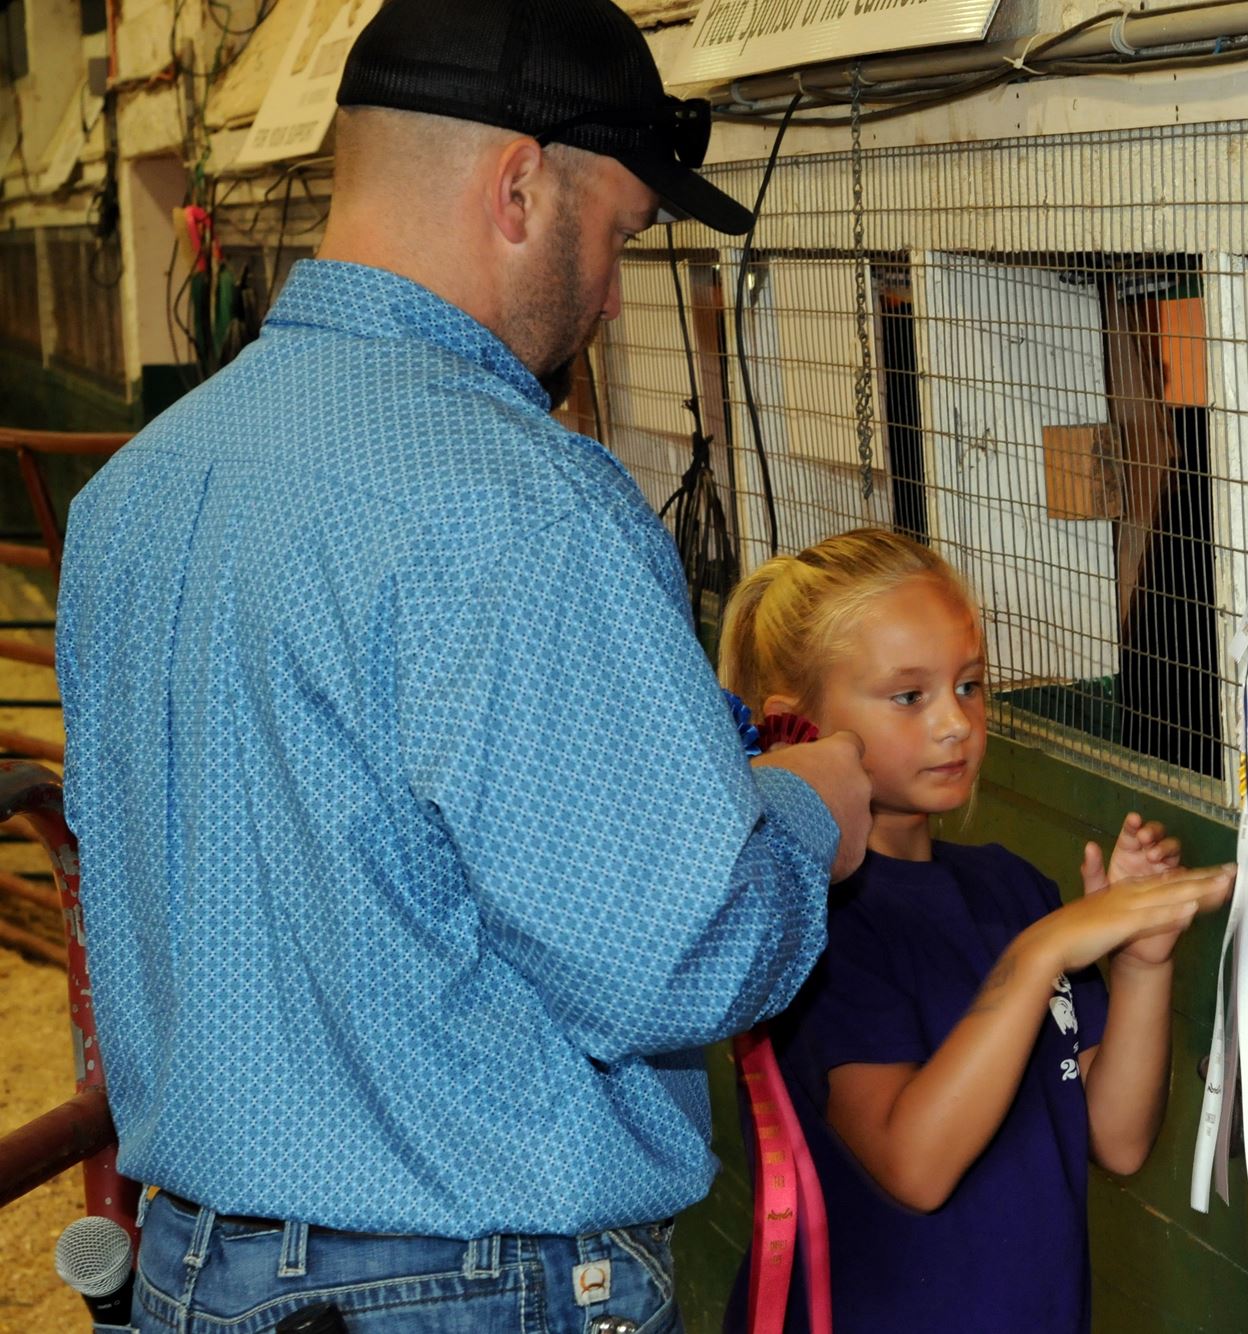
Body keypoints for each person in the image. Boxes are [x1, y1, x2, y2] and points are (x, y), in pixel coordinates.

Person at [53, 1, 871, 1330]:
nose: (609, 293)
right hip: (461, 1280)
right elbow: (681, 955)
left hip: (198, 1273)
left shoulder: (139, 493)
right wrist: (806, 809)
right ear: (520, 186)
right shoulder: (525, 504)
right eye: (613, 238)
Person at [715, 528, 1234, 1333]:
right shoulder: (819, 924)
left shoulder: (1008, 887)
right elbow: (916, 1165)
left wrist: (1141, 965)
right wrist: (1044, 952)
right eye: (908, 696)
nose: (955, 722)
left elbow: (1120, 1139)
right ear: (797, 726)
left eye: (971, 685)